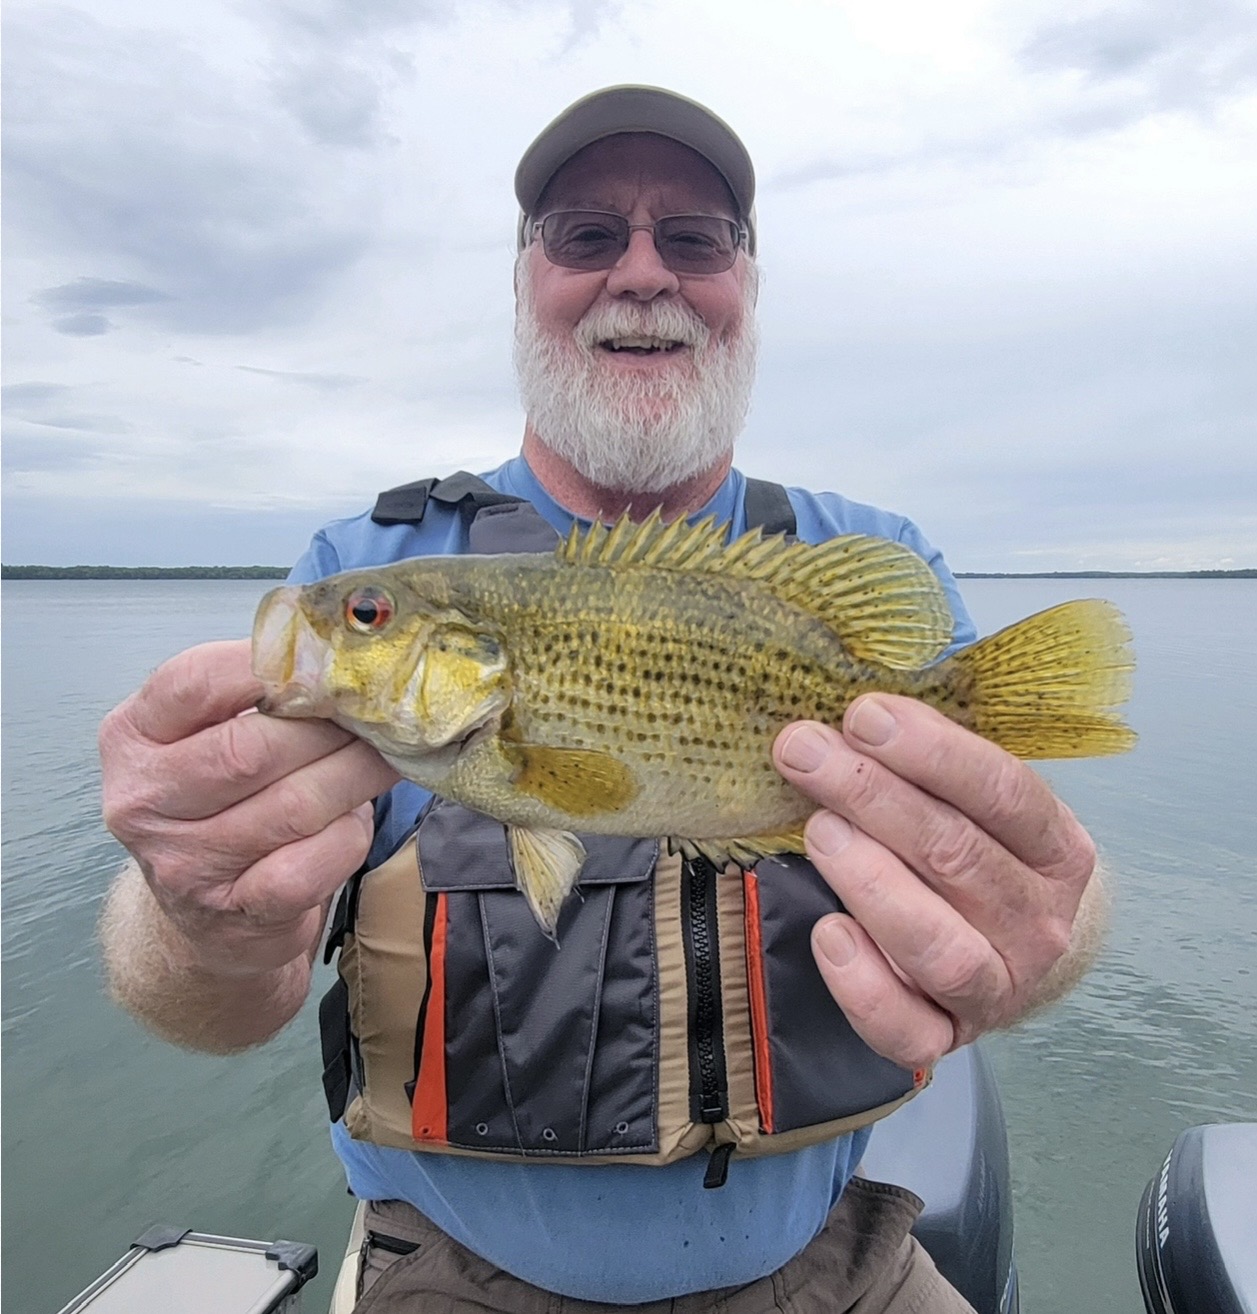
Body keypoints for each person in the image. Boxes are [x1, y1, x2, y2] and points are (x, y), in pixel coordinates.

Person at [99, 86, 1106, 1313]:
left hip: (839, 1264)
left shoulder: (865, 554)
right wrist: (196, 915)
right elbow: (202, 1003)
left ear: (747, 281)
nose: (643, 274)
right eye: (586, 234)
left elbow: (1046, 880)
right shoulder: (366, 558)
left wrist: (1045, 926)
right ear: (524, 277)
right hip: (456, 1281)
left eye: (694, 238)